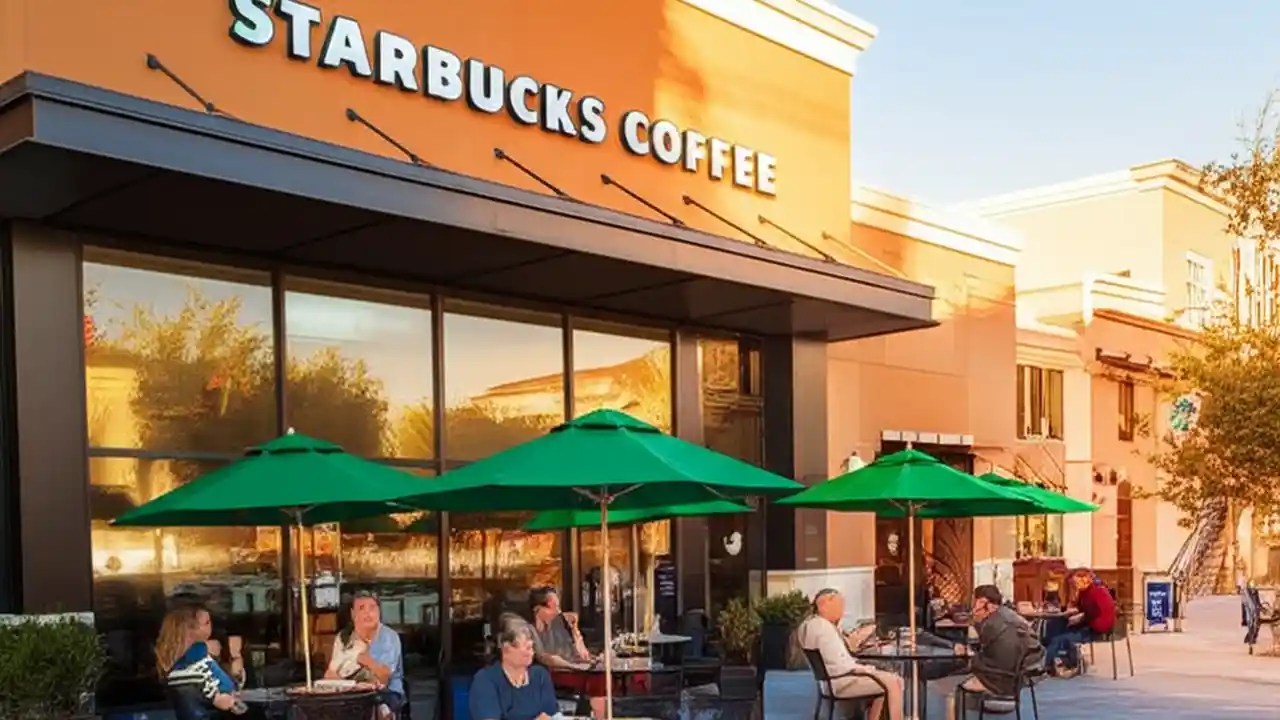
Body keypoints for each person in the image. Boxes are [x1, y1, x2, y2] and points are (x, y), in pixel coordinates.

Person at [797, 588, 904, 720]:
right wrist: (868, 670)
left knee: (888, 679)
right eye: (839, 605)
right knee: (894, 682)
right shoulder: (823, 628)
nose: (841, 610)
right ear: (823, 604)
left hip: (828, 682)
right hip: (840, 682)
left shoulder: (809, 625)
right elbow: (840, 665)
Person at [325, 591, 406, 719]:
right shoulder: (343, 637)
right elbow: (331, 673)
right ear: (353, 614)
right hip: (348, 692)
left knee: (378, 705)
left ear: (379, 612)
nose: (368, 613)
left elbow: (383, 677)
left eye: (372, 608)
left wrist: (363, 659)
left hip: (385, 692)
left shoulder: (389, 637)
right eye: (361, 608)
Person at [155, 604, 246, 717]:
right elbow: (197, 679)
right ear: (188, 629)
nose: (211, 627)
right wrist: (216, 697)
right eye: (206, 623)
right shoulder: (186, 666)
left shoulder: (202, 658)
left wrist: (235, 662)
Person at [529, 586, 605, 719]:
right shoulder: (531, 631)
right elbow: (546, 658)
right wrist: (575, 667)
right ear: (538, 609)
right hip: (553, 674)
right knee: (597, 680)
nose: (558, 611)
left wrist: (575, 630)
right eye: (553, 607)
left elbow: (583, 654)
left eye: (558, 607)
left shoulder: (558, 624)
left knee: (601, 677)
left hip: (572, 670)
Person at [470, 616, 559, 720]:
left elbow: (552, 714)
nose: (531, 653)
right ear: (506, 648)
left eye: (532, 647)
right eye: (527, 648)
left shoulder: (540, 676)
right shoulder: (485, 680)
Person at [1045, 570, 1115, 676]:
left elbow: (1096, 612)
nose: (1075, 584)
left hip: (1097, 629)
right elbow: (1082, 607)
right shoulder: (1085, 592)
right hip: (1089, 624)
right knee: (1055, 626)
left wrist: (1081, 618)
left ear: (1086, 579)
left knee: (1060, 638)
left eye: (1076, 581)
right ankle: (1061, 660)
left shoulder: (1097, 592)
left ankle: (1047, 664)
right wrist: (1073, 610)